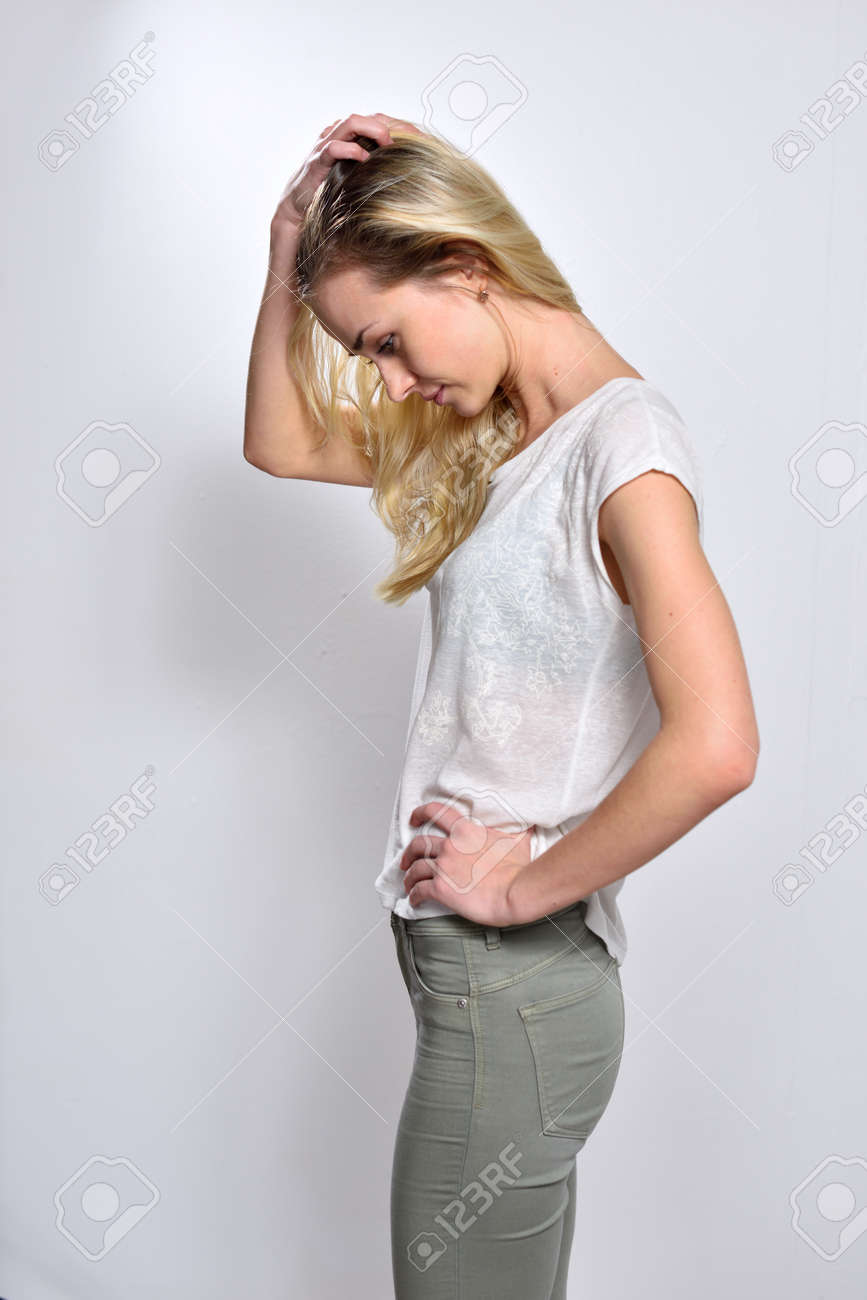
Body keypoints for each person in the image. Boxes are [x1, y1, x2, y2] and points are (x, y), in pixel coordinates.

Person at [244, 112, 760, 1299]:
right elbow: (281, 443)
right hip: (491, 990)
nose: (388, 381)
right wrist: (287, 256)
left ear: (463, 263)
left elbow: (720, 743)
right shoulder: (492, 438)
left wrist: (522, 881)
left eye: (384, 341)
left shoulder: (623, 449)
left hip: (518, 982)